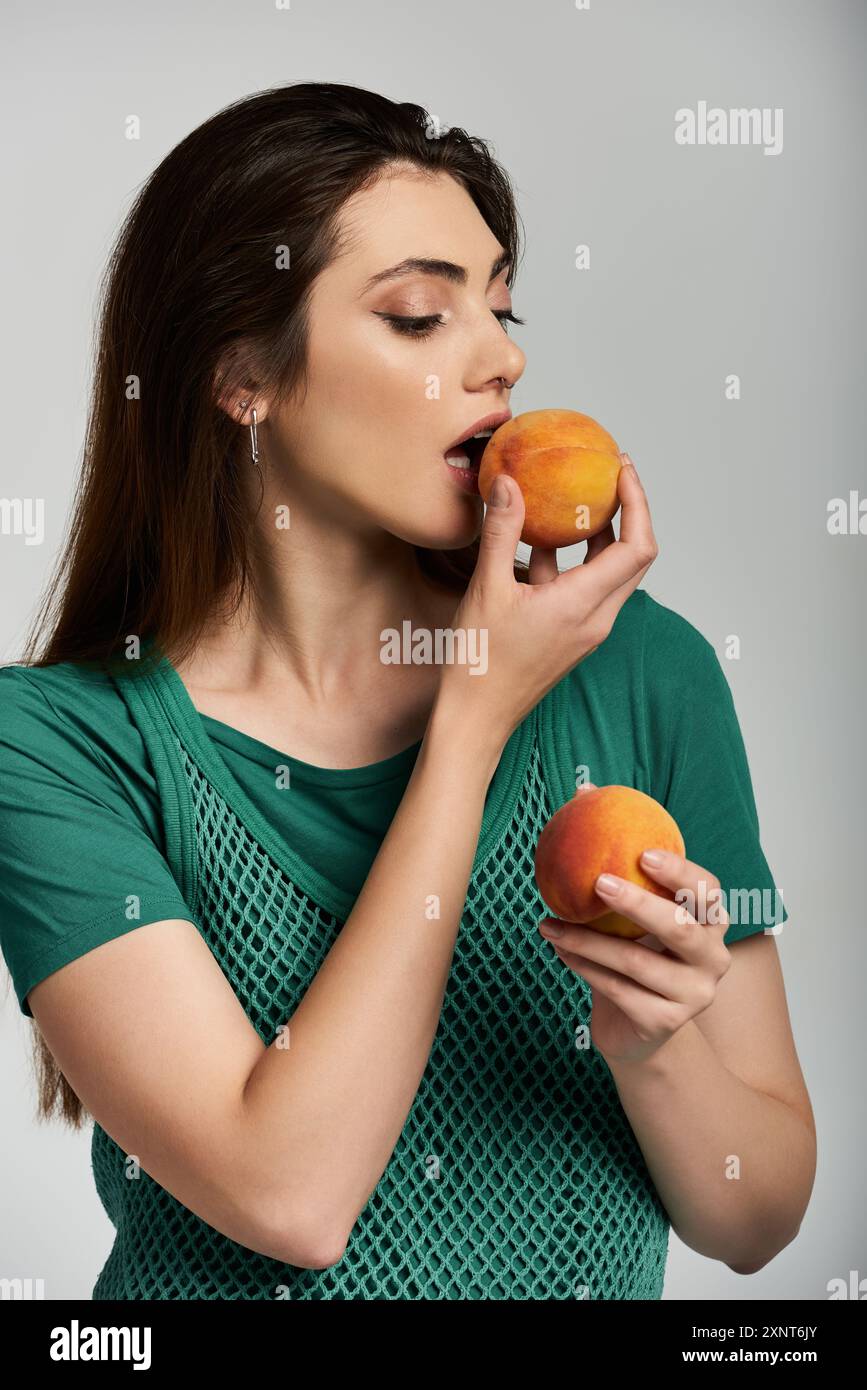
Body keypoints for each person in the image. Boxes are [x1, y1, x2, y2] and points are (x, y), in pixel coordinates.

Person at [0, 81, 815, 1300]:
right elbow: (292, 1193)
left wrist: (656, 1044)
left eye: (500, 304)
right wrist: (472, 716)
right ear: (241, 377)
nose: (505, 359)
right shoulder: (57, 745)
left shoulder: (643, 669)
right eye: (423, 316)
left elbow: (757, 1219)